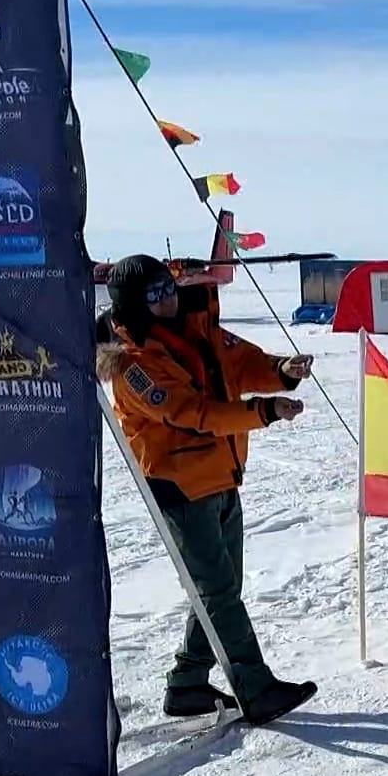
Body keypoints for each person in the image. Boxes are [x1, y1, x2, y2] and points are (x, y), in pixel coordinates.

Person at [96, 253, 319, 725]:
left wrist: (282, 370)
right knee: (217, 591)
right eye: (155, 295)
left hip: (221, 475)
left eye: (169, 289)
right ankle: (255, 687)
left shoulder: (196, 330)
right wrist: (263, 412)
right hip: (180, 487)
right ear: (133, 304)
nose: (168, 300)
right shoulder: (133, 365)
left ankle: (188, 682)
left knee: (221, 588)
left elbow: (240, 362)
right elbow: (193, 413)